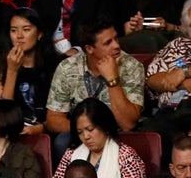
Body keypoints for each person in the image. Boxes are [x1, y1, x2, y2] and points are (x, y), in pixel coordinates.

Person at [43, 18, 146, 149]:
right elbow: (53, 120)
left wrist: (112, 80)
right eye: (108, 42)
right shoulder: (67, 68)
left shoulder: (132, 67)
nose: (116, 46)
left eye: (116, 38)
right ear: (89, 48)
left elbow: (128, 124)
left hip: (117, 134)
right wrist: (87, 129)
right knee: (62, 141)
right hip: (81, 137)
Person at [0, 8, 59, 134]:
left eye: (26, 29)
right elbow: (3, 113)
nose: (19, 36)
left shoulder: (56, 65)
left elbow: (61, 113)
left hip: (50, 130)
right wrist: (12, 71)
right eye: (13, 30)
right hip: (14, 131)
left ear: (39, 34)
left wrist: (41, 128)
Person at [28, 0, 120, 55]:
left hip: (84, 49)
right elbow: (34, 24)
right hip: (47, 50)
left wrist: (78, 49)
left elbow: (103, 25)